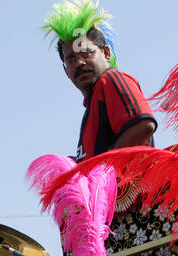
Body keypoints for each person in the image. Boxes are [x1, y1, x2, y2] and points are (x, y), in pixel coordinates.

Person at [42, 1, 156, 160]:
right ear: (66, 71)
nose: (80, 63)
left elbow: (142, 126)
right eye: (71, 60)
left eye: (86, 53)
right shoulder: (94, 103)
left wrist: (100, 173)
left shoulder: (110, 80)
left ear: (106, 53)